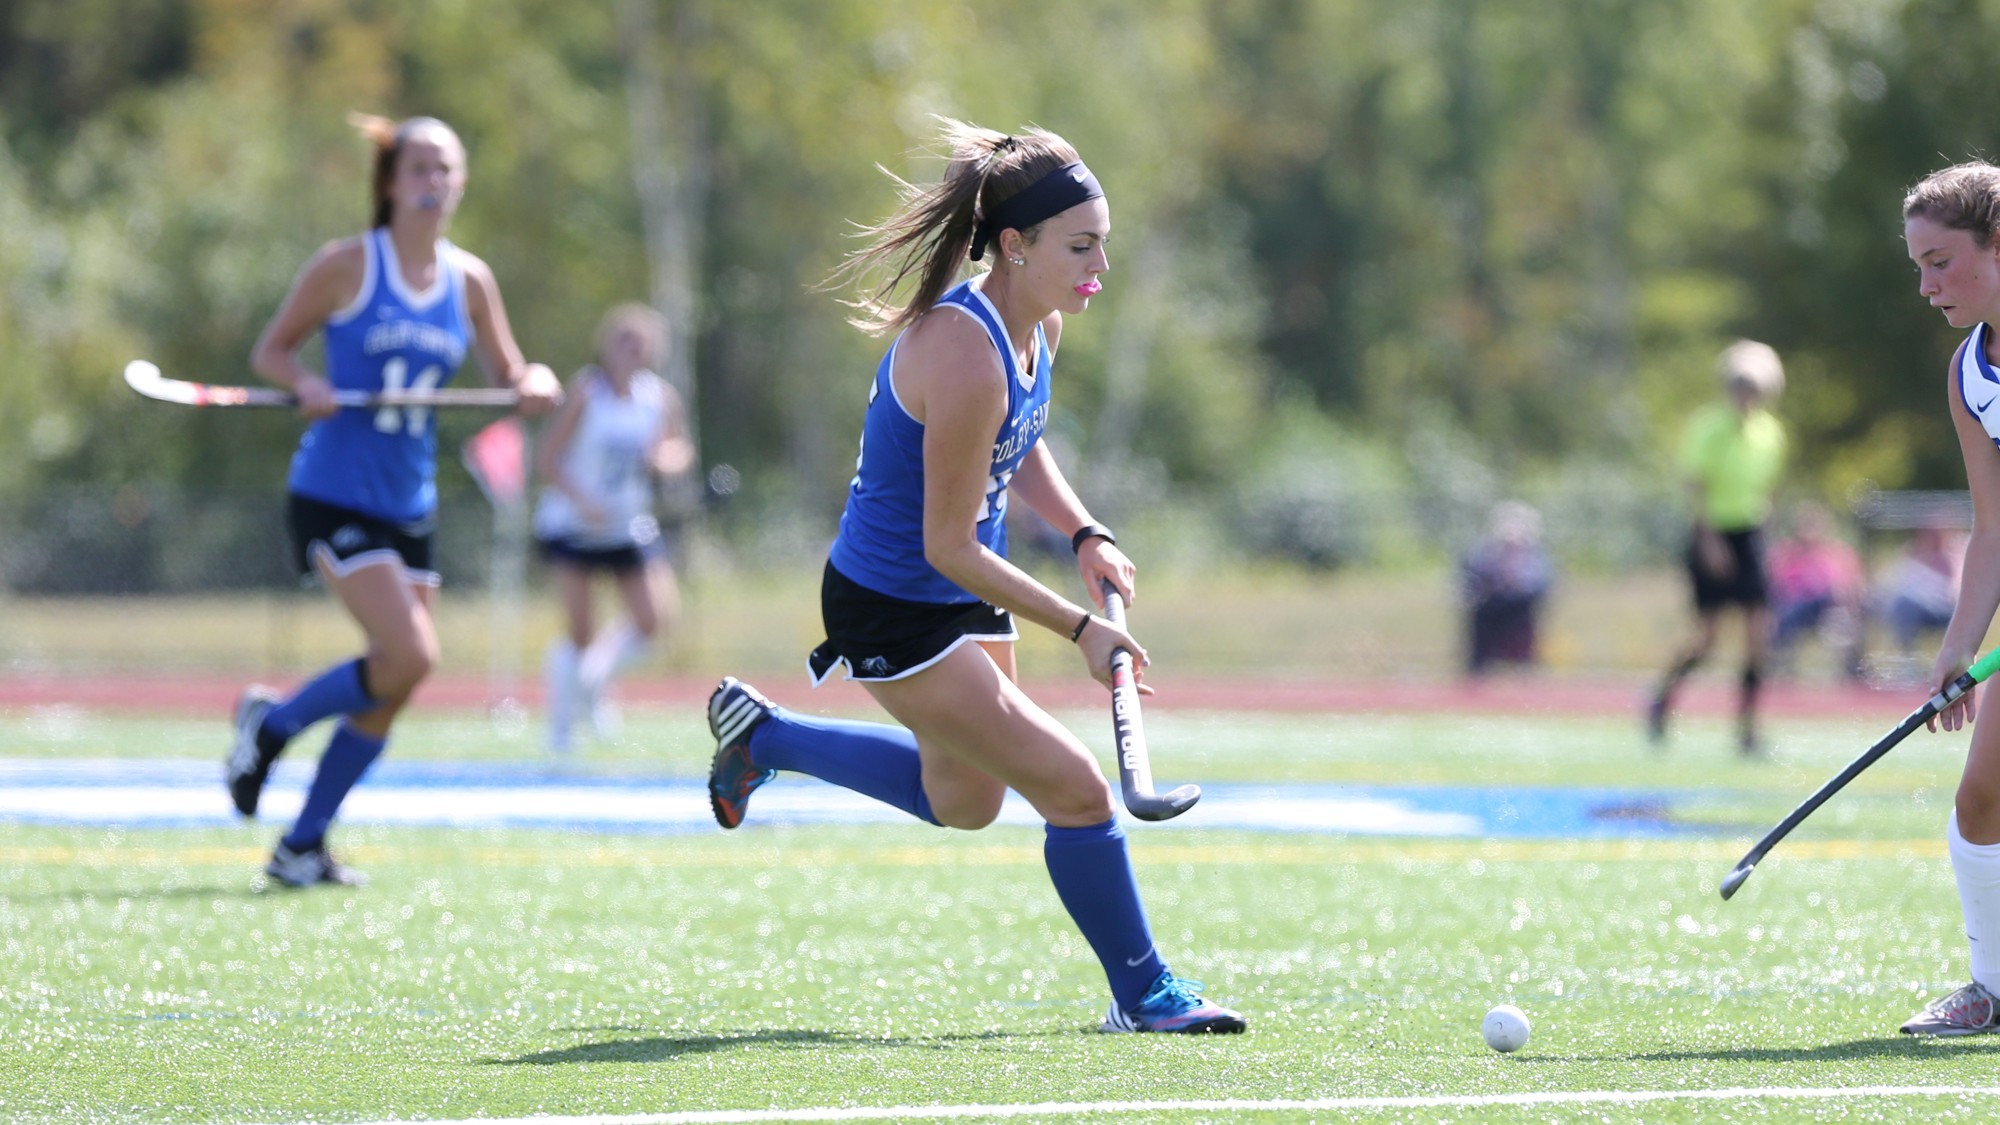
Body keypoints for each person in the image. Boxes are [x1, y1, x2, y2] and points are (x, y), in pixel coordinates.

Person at [703, 121, 1244, 1034]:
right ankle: (1144, 993)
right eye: (1081, 247)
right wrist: (1082, 628)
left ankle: (767, 739)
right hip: (894, 607)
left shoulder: (1043, 325)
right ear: (1013, 244)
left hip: (961, 589)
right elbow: (949, 542)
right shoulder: (961, 348)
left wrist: (1082, 531)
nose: (1098, 267)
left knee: (964, 803)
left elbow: (1017, 446)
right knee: (1077, 788)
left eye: (1103, 244)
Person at [223, 114, 561, 887]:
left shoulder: (469, 280)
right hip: (334, 492)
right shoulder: (346, 266)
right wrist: (304, 382)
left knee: (398, 676)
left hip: (410, 499)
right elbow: (271, 350)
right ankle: (271, 729)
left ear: (461, 183)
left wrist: (533, 383)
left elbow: (512, 374)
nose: (433, 182)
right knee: (411, 654)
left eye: (446, 169)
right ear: (389, 182)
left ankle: (301, 841)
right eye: (418, 168)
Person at [1893, 160, 2000, 1035]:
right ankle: (1991, 989)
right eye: (1918, 267)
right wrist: (1958, 646)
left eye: (1939, 262)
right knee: (1982, 798)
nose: (1926, 286)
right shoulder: (1970, 373)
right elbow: (1993, 528)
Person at [533, 304, 694, 751]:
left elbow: (678, 448)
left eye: (641, 344)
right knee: (580, 630)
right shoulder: (587, 392)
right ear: (607, 345)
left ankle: (593, 684)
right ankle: (561, 730)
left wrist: (667, 461)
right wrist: (585, 501)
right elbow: (546, 459)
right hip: (574, 525)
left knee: (653, 620)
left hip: (627, 524)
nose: (632, 351)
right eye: (624, 341)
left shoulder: (658, 397)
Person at [1645, 339, 1788, 755]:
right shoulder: (1708, 426)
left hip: (1751, 535)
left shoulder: (1771, 432)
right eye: (1739, 384)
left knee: (1759, 636)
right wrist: (1709, 542)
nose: (1745, 393)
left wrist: (1767, 539)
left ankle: (1747, 728)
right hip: (1713, 533)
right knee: (1706, 639)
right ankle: (1662, 700)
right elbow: (1697, 489)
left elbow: (1769, 491)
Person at [1766, 501, 1865, 679]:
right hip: (1796, 607)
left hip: (1830, 607)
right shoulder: (1787, 553)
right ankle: (1780, 665)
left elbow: (1852, 586)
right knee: (1786, 615)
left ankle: (1852, 670)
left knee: (1841, 612)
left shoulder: (1839, 553)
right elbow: (1776, 585)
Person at [1460, 500, 1553, 677]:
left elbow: (1540, 582)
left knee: (1522, 619)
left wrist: (1518, 585)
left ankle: (1524, 668)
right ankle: (1479, 670)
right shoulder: (1486, 552)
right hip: (1489, 606)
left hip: (1520, 606)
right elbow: (1473, 574)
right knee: (1482, 615)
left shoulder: (1534, 556)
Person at [1880, 523, 1965, 653]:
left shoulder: (1950, 559)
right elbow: (1898, 582)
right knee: (1900, 603)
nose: (1932, 538)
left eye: (1936, 534)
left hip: (1942, 610)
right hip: (1916, 608)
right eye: (1929, 533)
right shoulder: (1916, 557)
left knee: (1905, 604)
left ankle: (1906, 652)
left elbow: (1954, 591)